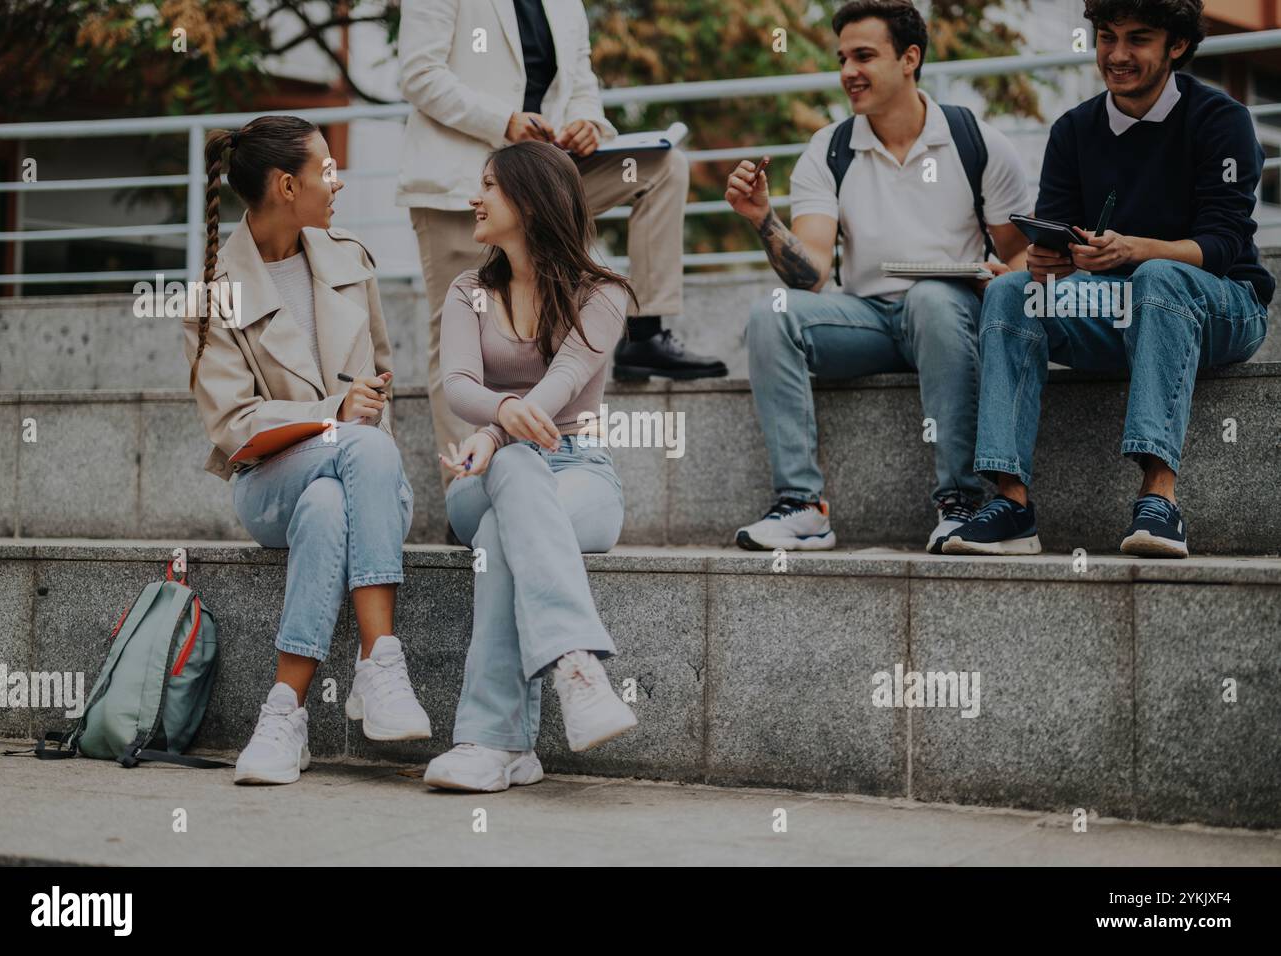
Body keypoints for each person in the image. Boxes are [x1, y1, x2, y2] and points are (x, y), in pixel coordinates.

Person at [942, 0, 1273, 559]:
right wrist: (1045, 264)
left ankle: (1159, 500)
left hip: (1225, 305)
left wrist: (1135, 250)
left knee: (1161, 279)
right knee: (1009, 292)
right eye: (1107, 37)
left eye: (1137, 39)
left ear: (1176, 45)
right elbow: (1051, 239)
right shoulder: (1074, 130)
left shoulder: (1222, 120)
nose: (1117, 55)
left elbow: (1222, 245)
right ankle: (1011, 504)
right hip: (1117, 305)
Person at [724, 0, 1031, 554]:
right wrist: (763, 219)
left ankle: (960, 501)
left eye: (864, 55)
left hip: (950, 317)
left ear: (910, 58)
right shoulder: (830, 149)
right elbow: (811, 276)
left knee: (933, 300)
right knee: (770, 311)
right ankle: (802, 506)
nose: (847, 72)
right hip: (866, 319)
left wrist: (998, 277)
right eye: (842, 58)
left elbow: (1027, 258)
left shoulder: (975, 140)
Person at [183, 116, 430, 785]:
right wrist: (333, 416)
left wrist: (357, 414)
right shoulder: (212, 294)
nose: (338, 179)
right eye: (325, 168)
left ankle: (284, 713)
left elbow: (381, 377)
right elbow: (235, 429)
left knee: (329, 501)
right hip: (268, 485)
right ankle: (380, 662)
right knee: (359, 452)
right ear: (287, 185)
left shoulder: (349, 258)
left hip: (359, 487)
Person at [396, 0, 726, 493]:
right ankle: (463, 486)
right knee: (458, 333)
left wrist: (588, 122)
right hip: (459, 183)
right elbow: (419, 75)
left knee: (663, 166)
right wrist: (503, 122)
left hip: (549, 176)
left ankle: (646, 333)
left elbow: (580, 79)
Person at [423, 140, 639, 793]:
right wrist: (496, 435)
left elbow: (566, 382)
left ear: (530, 198)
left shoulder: (600, 292)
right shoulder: (470, 291)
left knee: (501, 534)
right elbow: (455, 383)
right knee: (511, 476)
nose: (474, 197)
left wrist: (495, 428)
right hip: (480, 478)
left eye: (489, 185)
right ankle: (576, 666)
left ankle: (497, 744)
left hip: (578, 471)